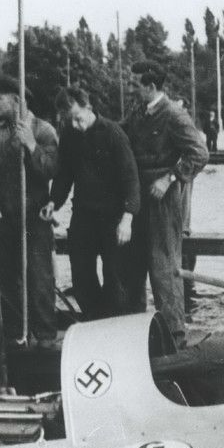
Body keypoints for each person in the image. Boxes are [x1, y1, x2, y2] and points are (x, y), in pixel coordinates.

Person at [122, 60, 209, 349]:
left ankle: (175, 339)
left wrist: (171, 177)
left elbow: (199, 153)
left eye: (135, 84)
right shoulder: (137, 114)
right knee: (133, 268)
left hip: (164, 202)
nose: (130, 88)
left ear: (151, 86)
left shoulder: (173, 114)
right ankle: (135, 335)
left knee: (163, 269)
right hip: (138, 200)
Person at [0, 75, 60, 347]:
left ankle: (44, 334)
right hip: (4, 215)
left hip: (34, 214)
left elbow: (52, 169)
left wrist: (31, 145)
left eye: (0, 98)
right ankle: (13, 333)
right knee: (7, 275)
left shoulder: (43, 130)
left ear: (17, 100)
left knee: (39, 275)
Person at [44, 86, 140, 319]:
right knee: (81, 275)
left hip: (113, 217)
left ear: (88, 108)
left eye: (78, 119)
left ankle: (115, 327)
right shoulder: (69, 135)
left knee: (115, 276)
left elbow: (131, 178)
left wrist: (127, 218)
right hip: (84, 215)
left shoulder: (113, 133)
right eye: (69, 120)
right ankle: (94, 321)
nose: (75, 125)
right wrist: (53, 203)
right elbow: (65, 174)